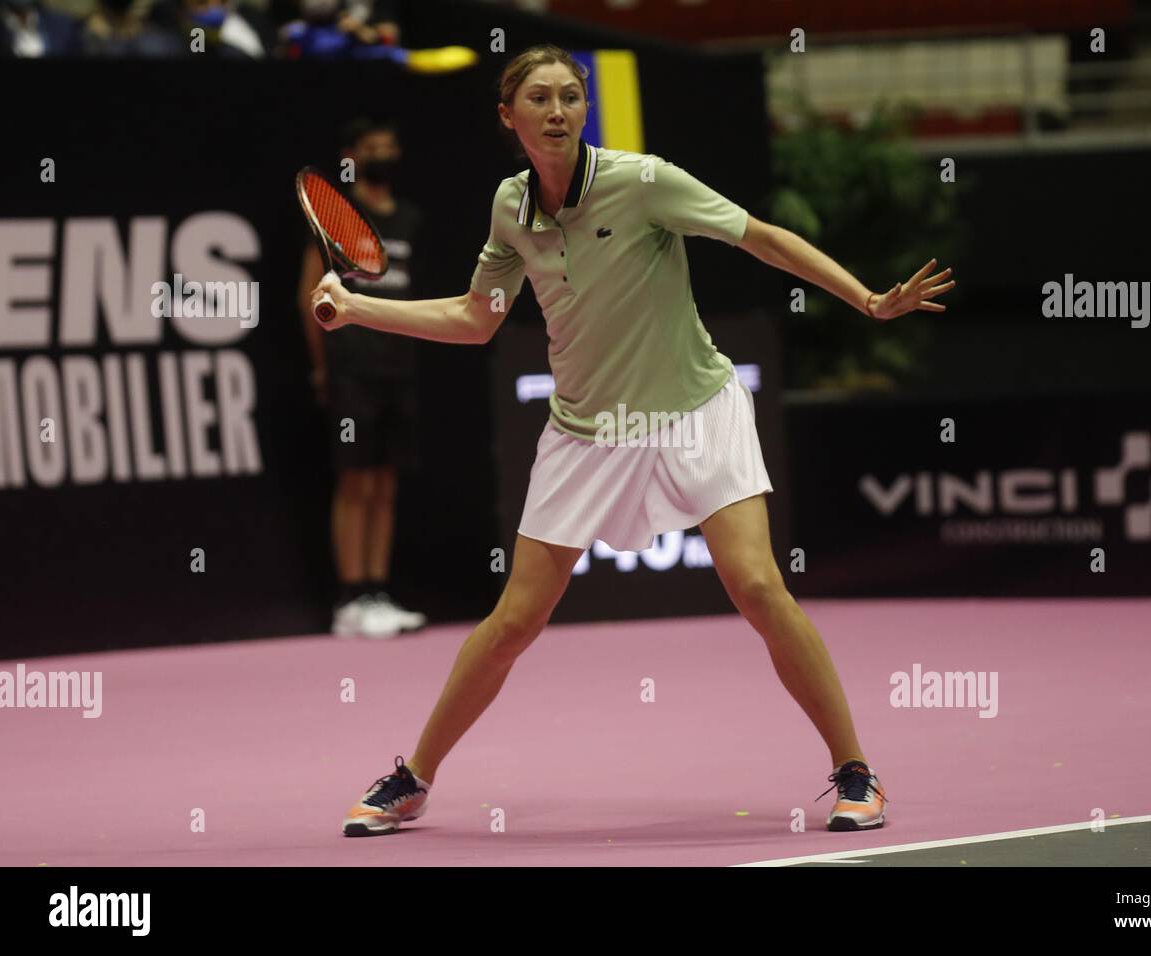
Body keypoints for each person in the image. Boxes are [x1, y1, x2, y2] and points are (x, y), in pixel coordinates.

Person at [314, 45, 954, 836]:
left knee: (757, 586)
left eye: (571, 97)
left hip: (694, 410)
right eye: (539, 98)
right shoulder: (510, 206)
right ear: (507, 117)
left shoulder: (645, 180)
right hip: (586, 431)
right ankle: (412, 780)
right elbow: (477, 319)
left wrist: (866, 298)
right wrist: (360, 307)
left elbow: (760, 236)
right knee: (514, 619)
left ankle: (856, 771)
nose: (557, 111)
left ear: (586, 110)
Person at [298, 117, 428, 639]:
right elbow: (308, 297)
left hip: (399, 367)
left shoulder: (411, 219)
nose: (383, 154)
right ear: (352, 154)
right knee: (355, 481)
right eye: (372, 148)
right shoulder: (335, 218)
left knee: (385, 481)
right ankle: (350, 599)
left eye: (390, 145)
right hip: (353, 367)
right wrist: (323, 367)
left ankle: (378, 591)